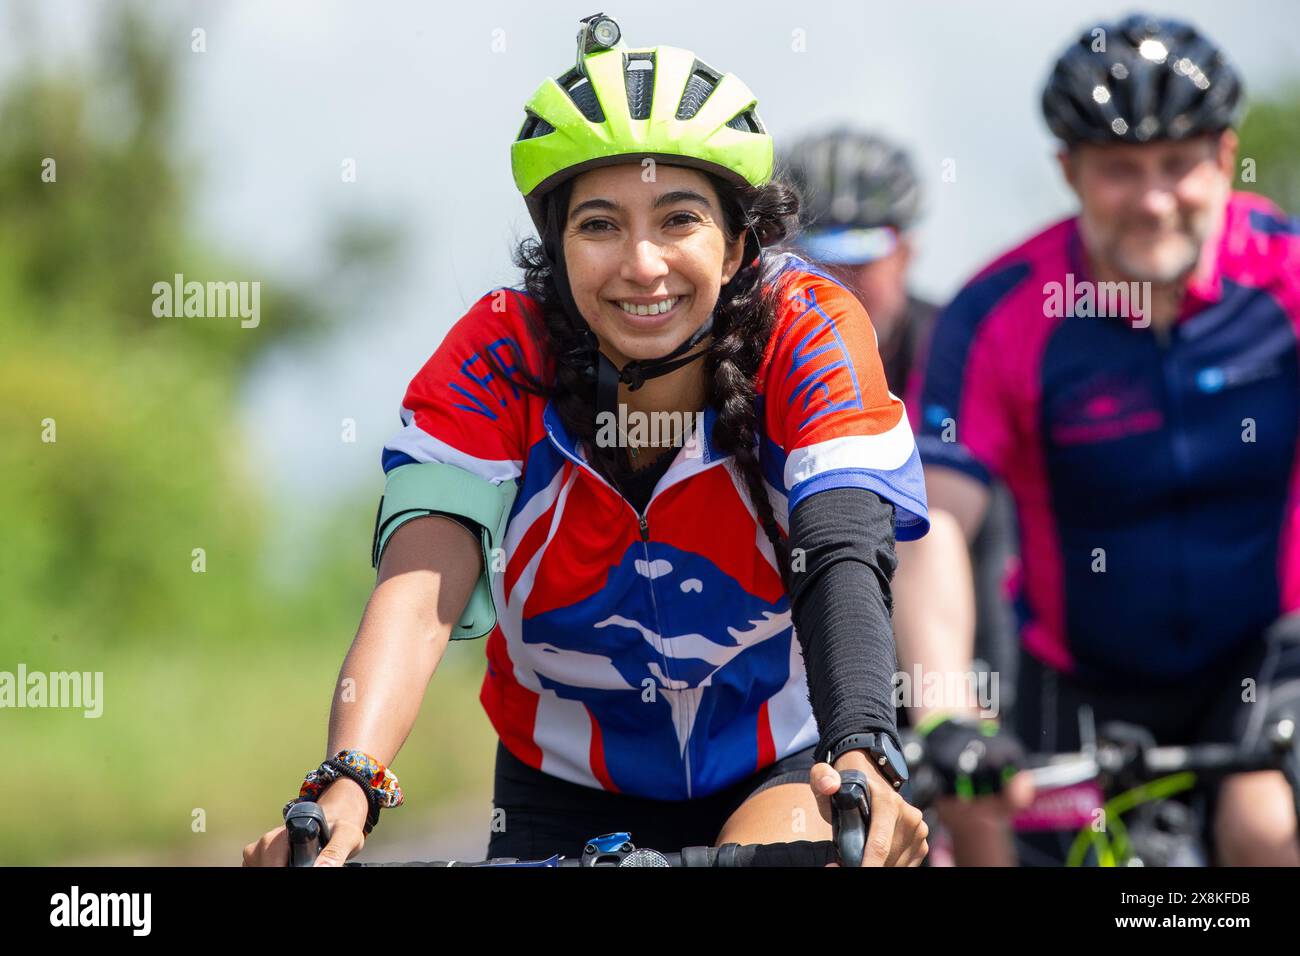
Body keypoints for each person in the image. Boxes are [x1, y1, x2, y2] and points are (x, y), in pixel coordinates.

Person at [244, 13, 931, 868]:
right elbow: (422, 584)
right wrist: (346, 779)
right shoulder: (498, 351)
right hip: (559, 788)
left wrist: (862, 749)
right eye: (599, 225)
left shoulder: (808, 326)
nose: (641, 264)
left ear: (738, 244)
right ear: (557, 248)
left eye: (678, 219)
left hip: (777, 766)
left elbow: (843, 550)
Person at [901, 13, 1300, 866]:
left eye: (1179, 165)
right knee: (979, 822)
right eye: (1120, 170)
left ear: (1227, 160)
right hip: (1074, 672)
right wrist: (941, 711)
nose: (1154, 199)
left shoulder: (1288, 278)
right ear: (1070, 171)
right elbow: (934, 519)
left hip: (1265, 657)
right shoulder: (1000, 312)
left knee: (1263, 827)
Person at [784, 130, 1027, 866]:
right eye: (820, 259)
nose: (842, 283)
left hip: (954, 599)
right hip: (822, 616)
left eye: (863, 259)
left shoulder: (949, 342)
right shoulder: (763, 351)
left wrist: (953, 713)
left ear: (907, 252)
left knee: (972, 783)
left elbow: (956, 529)